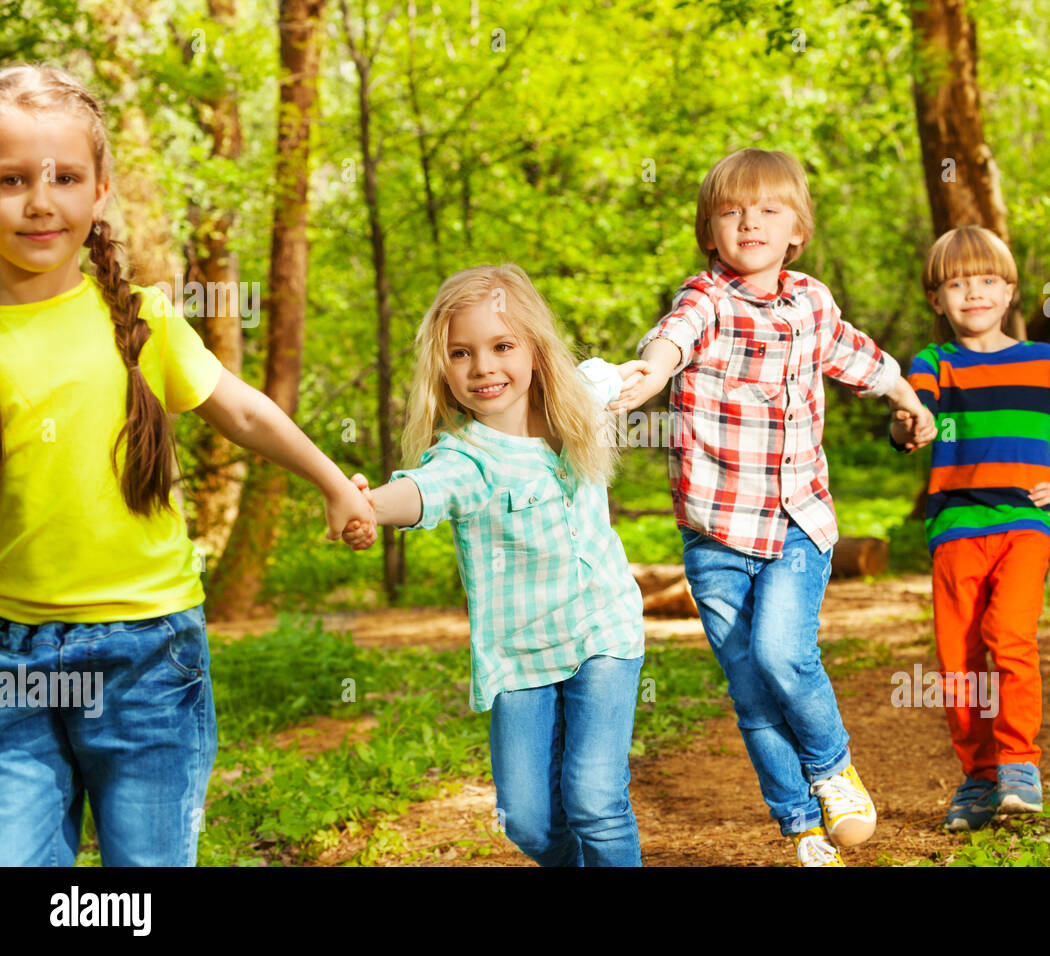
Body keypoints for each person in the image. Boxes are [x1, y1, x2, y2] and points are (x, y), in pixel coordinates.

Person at [0, 64, 375, 866]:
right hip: (15, 658)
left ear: (100, 190)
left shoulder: (140, 319)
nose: (40, 200)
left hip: (146, 654)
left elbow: (241, 409)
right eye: (12, 179)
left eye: (64, 177)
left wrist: (334, 482)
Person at [614, 148, 937, 866]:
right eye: (731, 211)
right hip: (716, 532)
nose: (749, 221)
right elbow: (673, 338)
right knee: (750, 689)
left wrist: (909, 400)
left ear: (797, 228)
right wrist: (651, 372)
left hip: (798, 520)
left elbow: (859, 355)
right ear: (710, 231)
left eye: (767, 209)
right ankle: (797, 822)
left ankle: (831, 769)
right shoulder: (707, 300)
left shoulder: (813, 303)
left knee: (781, 654)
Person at [342, 263, 649, 866]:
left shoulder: (578, 404)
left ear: (534, 347)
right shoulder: (466, 458)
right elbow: (421, 493)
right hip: (520, 654)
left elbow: (611, 377)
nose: (483, 366)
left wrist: (643, 371)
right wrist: (368, 506)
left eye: (502, 346)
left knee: (593, 799)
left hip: (604, 633)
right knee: (527, 821)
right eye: (461, 353)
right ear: (442, 366)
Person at [892, 224, 1050, 831]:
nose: (974, 294)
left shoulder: (1046, 362)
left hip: (1025, 523)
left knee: (1010, 636)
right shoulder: (934, 363)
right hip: (955, 525)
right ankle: (979, 776)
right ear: (937, 299)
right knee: (957, 658)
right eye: (957, 284)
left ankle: (1019, 761)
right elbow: (915, 412)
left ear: (1011, 290)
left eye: (987, 281)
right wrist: (909, 426)